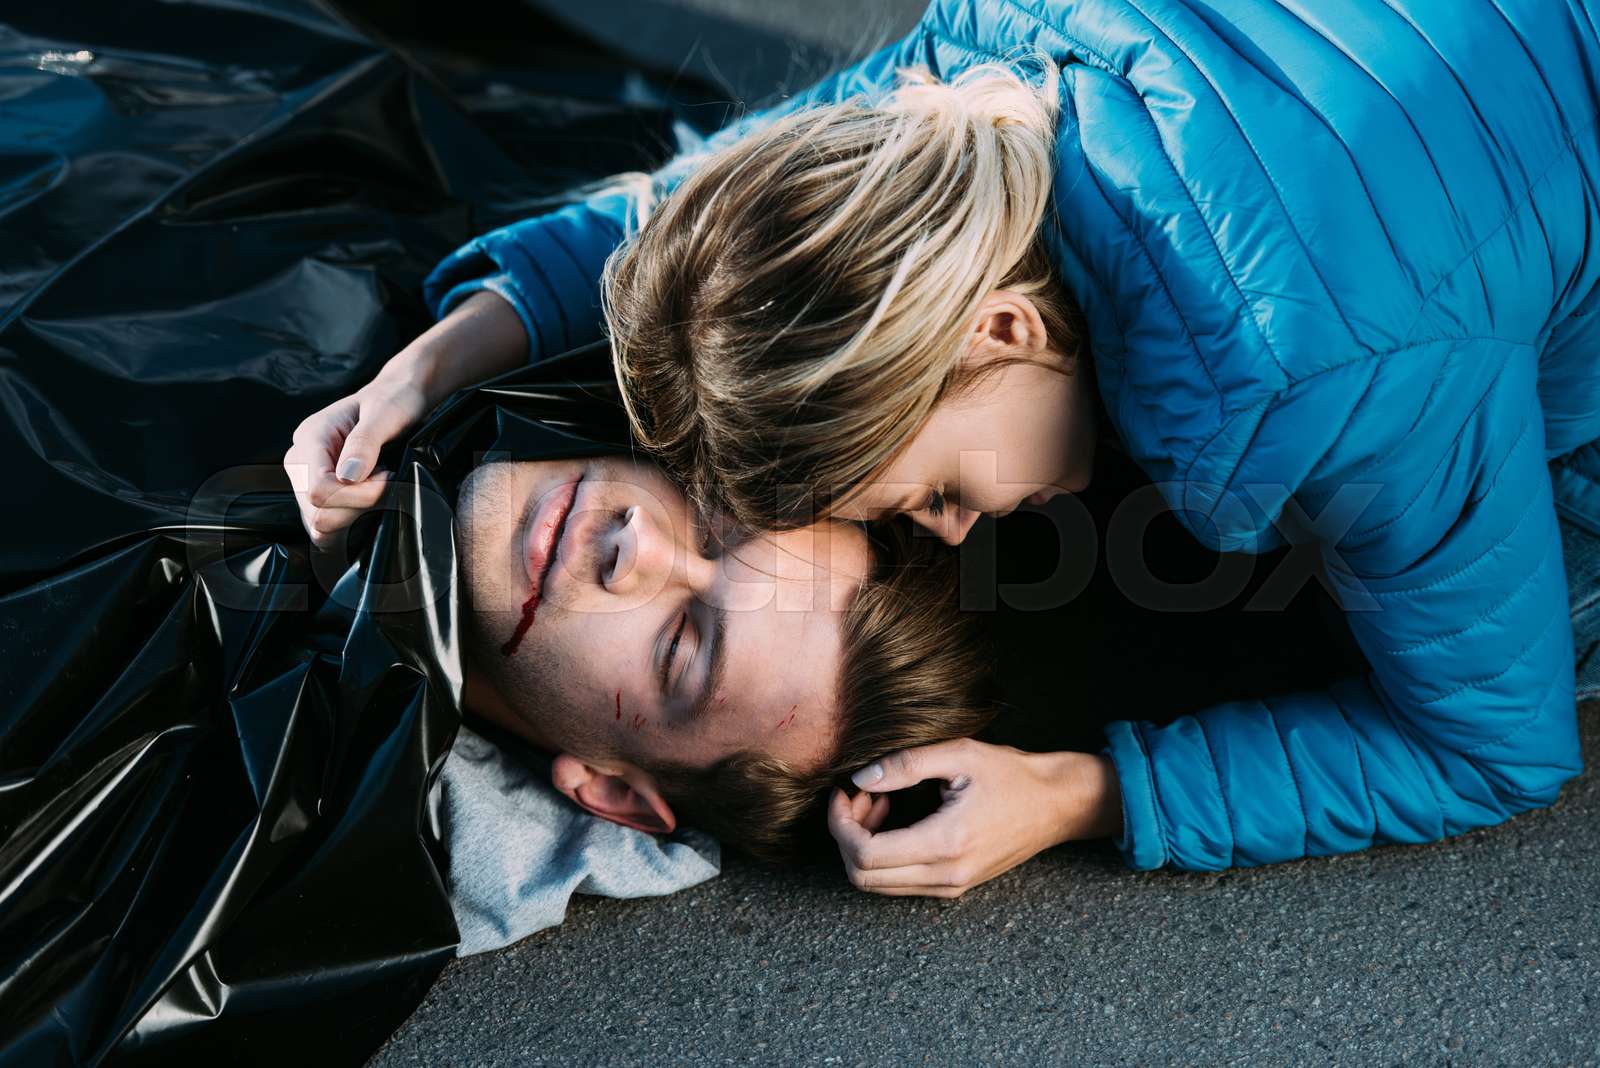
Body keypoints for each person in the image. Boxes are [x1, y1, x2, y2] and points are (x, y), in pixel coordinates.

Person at [292, 0, 1600, 893]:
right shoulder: (998, 58)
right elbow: (755, 213)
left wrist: (1085, 794)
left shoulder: (1311, 378)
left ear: (1005, 323)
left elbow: (1495, 746)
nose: (960, 527)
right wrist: (453, 347)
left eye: (918, 487)